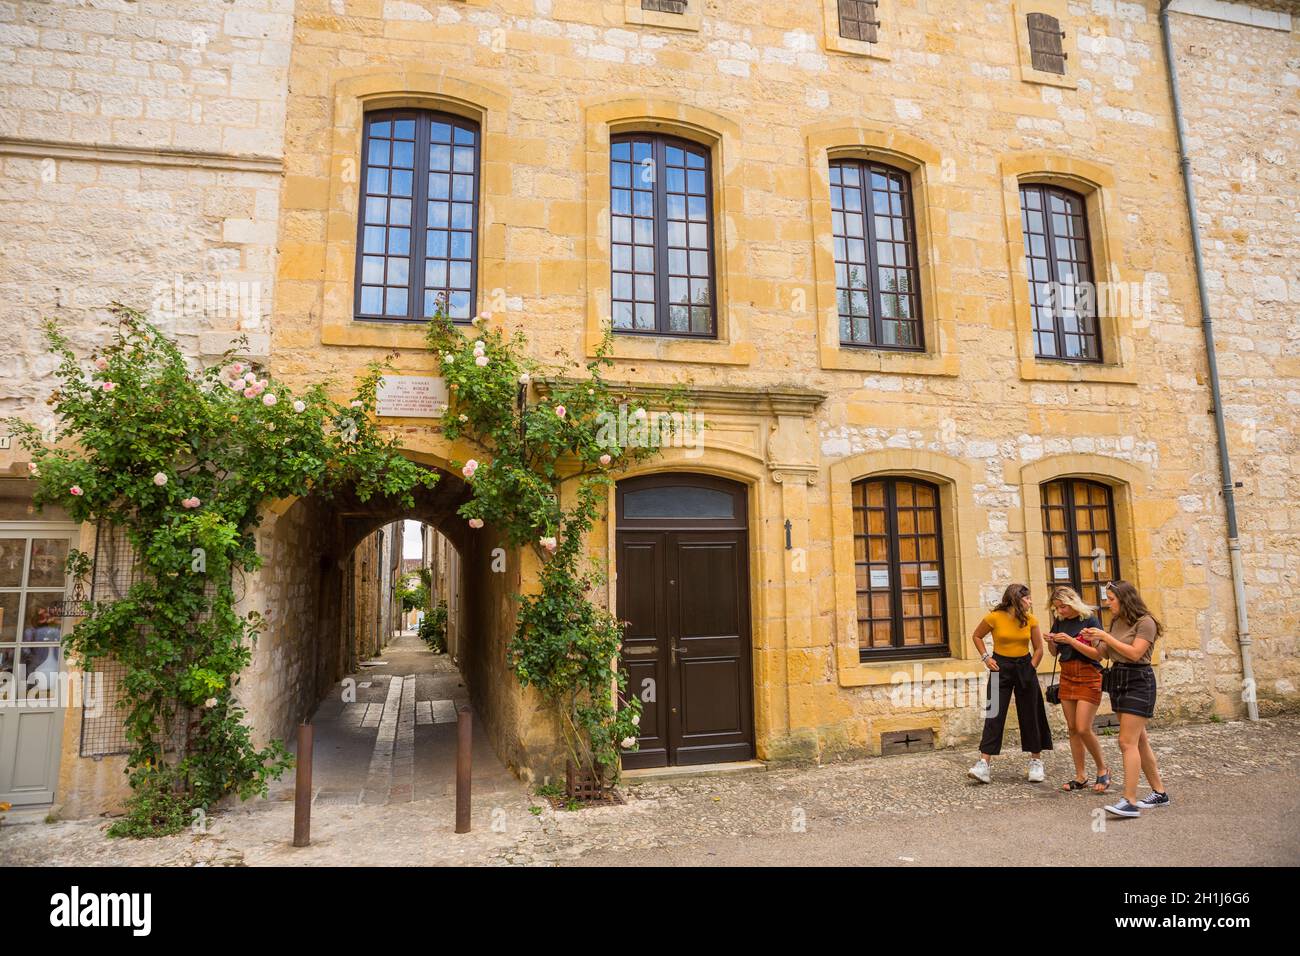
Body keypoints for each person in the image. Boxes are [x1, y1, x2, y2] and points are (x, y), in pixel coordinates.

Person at [1081, 580, 1169, 818]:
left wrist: (1105, 637)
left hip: (1138, 681)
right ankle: (1159, 793)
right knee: (1139, 740)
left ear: (1125, 599)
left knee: (1126, 742)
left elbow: (1134, 653)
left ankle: (1129, 801)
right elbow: (1104, 653)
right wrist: (1090, 640)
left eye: (1111, 599)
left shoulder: (1146, 622)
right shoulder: (1117, 621)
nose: (1108, 604)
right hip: (1118, 679)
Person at [968, 583, 1052, 783]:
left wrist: (1031, 667)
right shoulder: (994, 617)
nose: (1030, 602)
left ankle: (1036, 762)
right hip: (1000, 666)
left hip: (1025, 665)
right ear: (1016, 598)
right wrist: (986, 658)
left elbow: (1039, 648)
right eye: (1027, 598)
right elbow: (977, 636)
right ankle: (983, 765)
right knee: (994, 712)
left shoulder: (1031, 620)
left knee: (1031, 714)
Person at [1044, 586, 1111, 793]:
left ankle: (1103, 768)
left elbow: (1098, 655)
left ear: (1073, 602)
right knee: (1072, 728)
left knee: (1083, 727)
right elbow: (1055, 653)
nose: (1060, 611)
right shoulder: (1061, 621)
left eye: (1063, 606)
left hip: (1089, 674)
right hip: (1067, 675)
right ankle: (1081, 776)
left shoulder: (1089, 620)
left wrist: (1071, 641)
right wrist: (1052, 642)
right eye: (1057, 608)